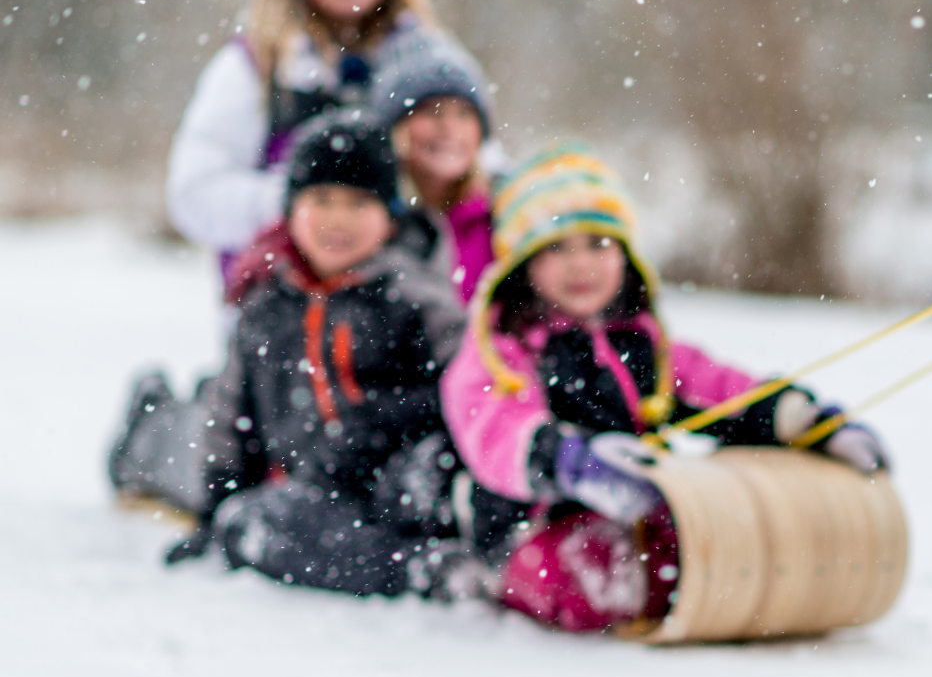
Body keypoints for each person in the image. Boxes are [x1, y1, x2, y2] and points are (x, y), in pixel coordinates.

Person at [440, 143, 887, 631]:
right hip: (529, 527)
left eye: (598, 244)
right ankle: (506, 581)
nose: (580, 264)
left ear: (625, 253)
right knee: (587, 573)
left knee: (722, 539)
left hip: (636, 515)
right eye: (556, 248)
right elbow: (495, 426)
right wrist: (570, 461)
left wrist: (803, 420)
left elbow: (719, 391)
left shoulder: (641, 342)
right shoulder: (504, 347)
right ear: (522, 264)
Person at [116, 114, 478, 599]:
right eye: (321, 200)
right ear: (291, 211)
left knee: (416, 486)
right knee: (234, 504)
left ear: (389, 216)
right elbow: (231, 417)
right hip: (297, 483)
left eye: (358, 203)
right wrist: (214, 511)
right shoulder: (268, 303)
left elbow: (469, 385)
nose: (338, 219)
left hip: (387, 479)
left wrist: (389, 421)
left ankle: (411, 555)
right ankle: (148, 422)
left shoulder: (414, 297)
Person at [165, 0, 471, 272]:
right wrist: (308, 204)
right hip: (283, 311)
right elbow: (194, 196)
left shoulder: (430, 63)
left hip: (410, 310)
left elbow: (480, 176)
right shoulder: (254, 65)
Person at [370, 36, 500, 303]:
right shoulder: (372, 220)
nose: (449, 128)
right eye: (431, 112)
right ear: (396, 128)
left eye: (464, 114)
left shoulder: (503, 215)